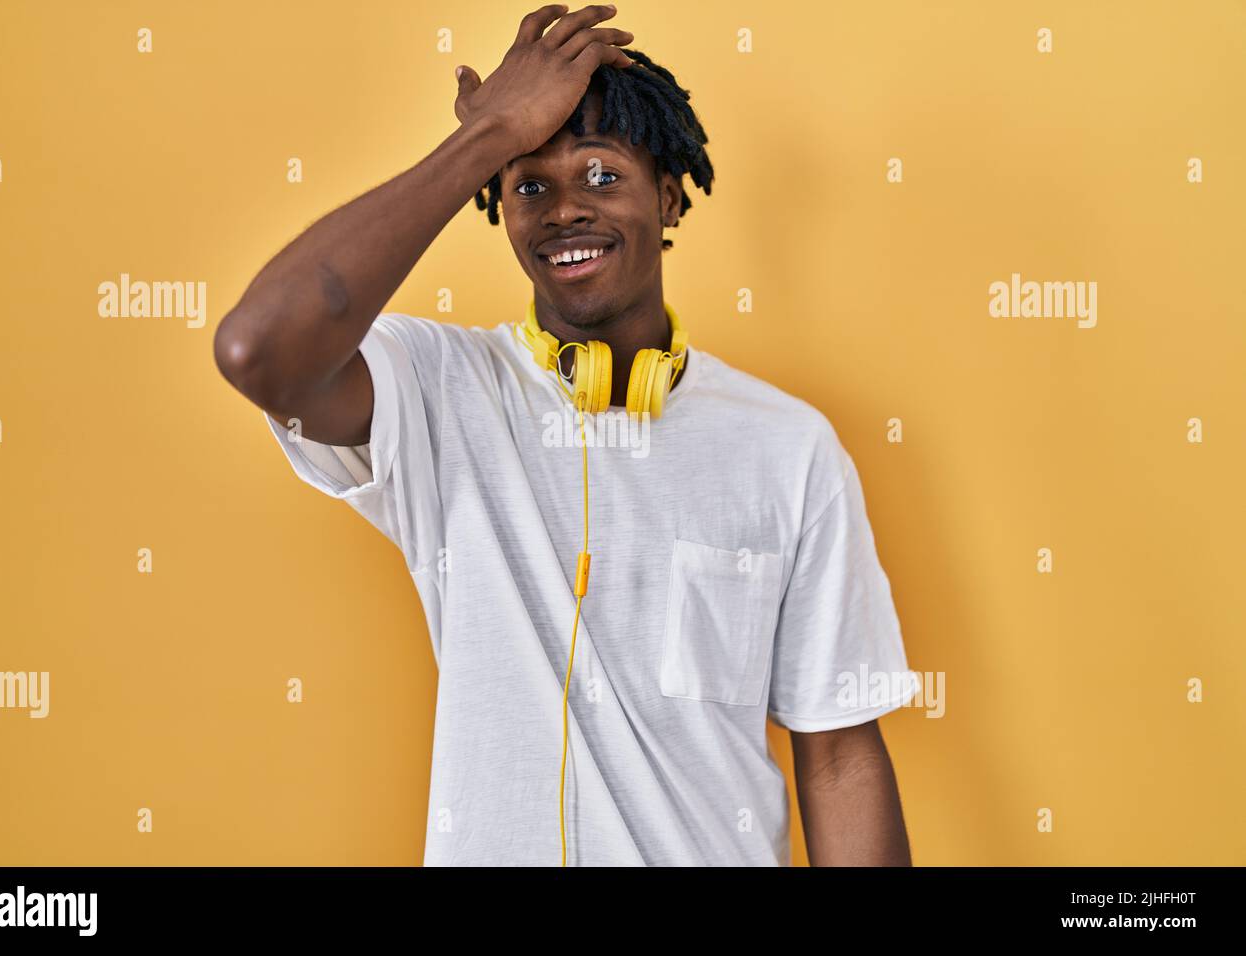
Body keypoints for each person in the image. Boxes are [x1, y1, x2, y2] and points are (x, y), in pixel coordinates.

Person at [214, 2, 921, 866]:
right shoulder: (436, 391)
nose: (563, 211)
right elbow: (260, 350)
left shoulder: (789, 447)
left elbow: (841, 757)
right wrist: (487, 136)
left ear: (667, 196)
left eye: (601, 175)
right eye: (529, 185)